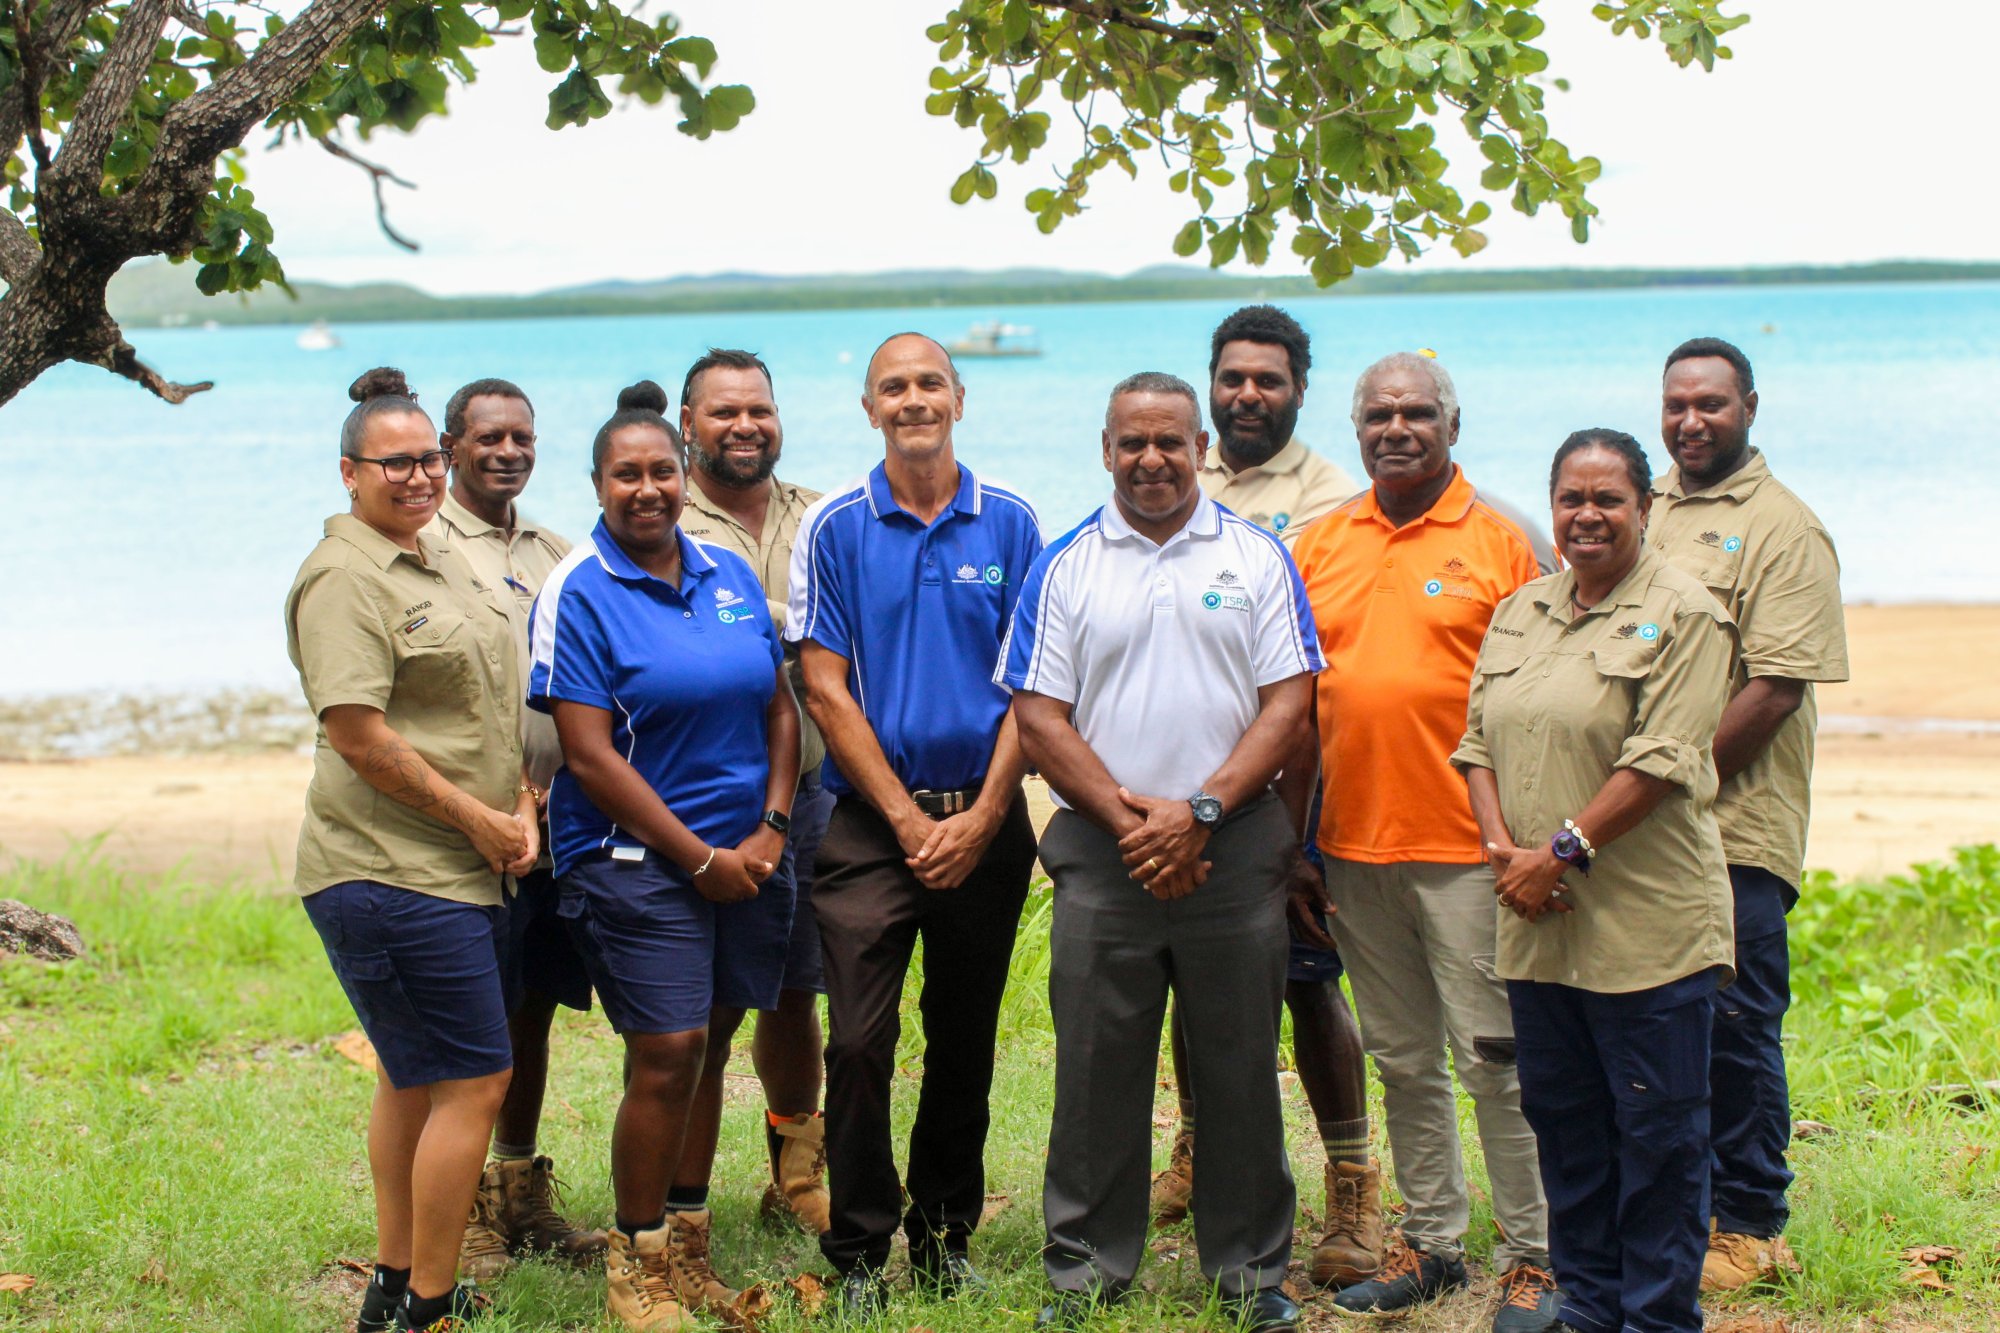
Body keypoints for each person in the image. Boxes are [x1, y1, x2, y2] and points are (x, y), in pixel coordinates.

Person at [1005, 372, 1321, 1333]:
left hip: (1233, 843)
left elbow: (1291, 702)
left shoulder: (1258, 555)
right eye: (1132, 443)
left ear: (1200, 450)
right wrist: (1137, 821)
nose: (1152, 460)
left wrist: (1204, 810)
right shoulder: (1065, 564)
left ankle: (1248, 1272)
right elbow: (1036, 714)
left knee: (1236, 1064)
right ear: (1106, 449)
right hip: (1107, 851)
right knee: (1097, 1068)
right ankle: (1087, 1271)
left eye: (1171, 443)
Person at [1287, 352, 1559, 1330]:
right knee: (1402, 1056)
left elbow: (1545, 696)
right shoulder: (1321, 542)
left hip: (1473, 853)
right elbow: (1298, 708)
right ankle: (1435, 1241)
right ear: (1354, 427)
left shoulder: (1503, 542)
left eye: (1414, 413)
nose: (1394, 428)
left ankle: (1535, 1253)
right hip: (1354, 848)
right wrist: (1295, 847)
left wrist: (1535, 846)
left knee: (1496, 1055)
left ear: (1452, 424)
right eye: (1376, 414)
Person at [528, 382, 801, 1332]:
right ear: (597, 484)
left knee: (714, 1045)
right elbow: (589, 753)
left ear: (684, 477)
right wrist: (696, 859)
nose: (646, 489)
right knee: (668, 1047)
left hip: (749, 854)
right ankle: (634, 1265)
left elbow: (777, 703)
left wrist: (772, 823)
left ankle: (689, 1252)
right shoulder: (580, 588)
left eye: (660, 471)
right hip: (631, 859)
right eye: (625, 474)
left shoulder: (727, 573)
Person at [1453, 429, 1737, 1333]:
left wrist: (1559, 853)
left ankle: (1656, 1317)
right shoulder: (1520, 611)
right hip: (1536, 923)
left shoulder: (1687, 614)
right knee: (1566, 1125)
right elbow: (1476, 743)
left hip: (1644, 932)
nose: (1586, 516)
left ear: (1645, 508)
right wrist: (1506, 851)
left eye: (1608, 499)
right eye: (1571, 499)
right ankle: (1589, 1303)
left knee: (1658, 1137)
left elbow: (1660, 759)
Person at [785, 332, 1043, 1317]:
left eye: (928, 383)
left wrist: (980, 816)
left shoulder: (1011, 521)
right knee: (854, 1039)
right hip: (865, 825)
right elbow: (823, 682)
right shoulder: (836, 527)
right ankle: (856, 1251)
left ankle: (943, 1241)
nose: (912, 399)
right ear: (868, 408)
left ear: (959, 398)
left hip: (986, 816)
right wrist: (902, 817)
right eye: (892, 387)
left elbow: (1034, 684)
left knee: (964, 1036)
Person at [285, 367, 538, 1333]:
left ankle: (394, 1284)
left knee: (412, 1072)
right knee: (476, 1079)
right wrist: (480, 823)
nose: (421, 475)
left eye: (430, 457)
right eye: (396, 462)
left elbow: (484, 698)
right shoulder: (343, 577)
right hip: (391, 869)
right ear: (350, 472)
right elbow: (361, 736)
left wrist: (517, 796)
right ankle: (434, 1301)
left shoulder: (433, 557)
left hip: (456, 866)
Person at [1154, 304, 1372, 1292]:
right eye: (1233, 377)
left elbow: (1316, 665)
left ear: (1296, 390)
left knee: (1306, 975)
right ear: (1211, 385)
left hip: (1290, 776)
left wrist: (1299, 826)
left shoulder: (1328, 499)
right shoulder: (1171, 475)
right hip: (1178, 779)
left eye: (1268, 380)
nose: (1248, 394)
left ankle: (1352, 1179)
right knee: (1183, 970)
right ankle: (1197, 1147)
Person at [1648, 337, 1848, 1291]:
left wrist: (1673, 789)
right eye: (1677, 402)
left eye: (1712, 404)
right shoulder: (1641, 505)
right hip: (1640, 826)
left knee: (1736, 1022)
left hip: (1734, 828)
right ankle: (1679, 1210)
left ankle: (1754, 1223)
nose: (1692, 420)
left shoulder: (1783, 527)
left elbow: (1772, 689)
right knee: (1658, 1023)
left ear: (1751, 408)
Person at [426, 377, 604, 1278]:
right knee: (469, 1020)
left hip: (552, 825)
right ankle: (453, 1218)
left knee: (531, 1008)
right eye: (487, 436)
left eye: (521, 437)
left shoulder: (556, 551)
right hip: (463, 826)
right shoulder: (422, 544)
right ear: (451, 446)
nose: (507, 450)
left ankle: (517, 1187)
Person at [675, 348, 833, 1234]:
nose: (745, 426)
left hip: (813, 791)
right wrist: (796, 631)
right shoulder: (663, 512)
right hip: (704, 799)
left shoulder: (819, 515)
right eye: (724, 412)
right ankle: (675, 1182)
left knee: (795, 988)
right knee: (703, 1007)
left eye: (759, 410)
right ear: (689, 423)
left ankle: (796, 1169)